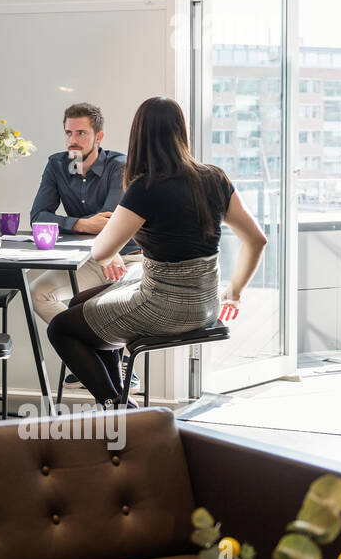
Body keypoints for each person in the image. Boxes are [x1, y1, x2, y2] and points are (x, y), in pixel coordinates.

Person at [46, 97, 267, 407]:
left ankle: (116, 406)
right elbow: (257, 239)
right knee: (81, 301)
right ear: (181, 132)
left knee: (61, 328)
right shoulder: (214, 177)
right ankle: (119, 396)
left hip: (164, 306)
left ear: (140, 136)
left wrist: (102, 236)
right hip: (205, 305)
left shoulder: (146, 187)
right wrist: (234, 292)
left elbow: (101, 251)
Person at [28, 102, 142, 389]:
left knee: (110, 306)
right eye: (68, 133)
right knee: (38, 293)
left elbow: (111, 223)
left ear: (98, 137)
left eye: (81, 133)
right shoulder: (57, 165)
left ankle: (110, 360)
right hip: (89, 260)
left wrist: (78, 223)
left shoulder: (120, 165)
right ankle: (94, 355)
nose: (72, 141)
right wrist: (81, 224)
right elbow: (38, 217)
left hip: (128, 260)